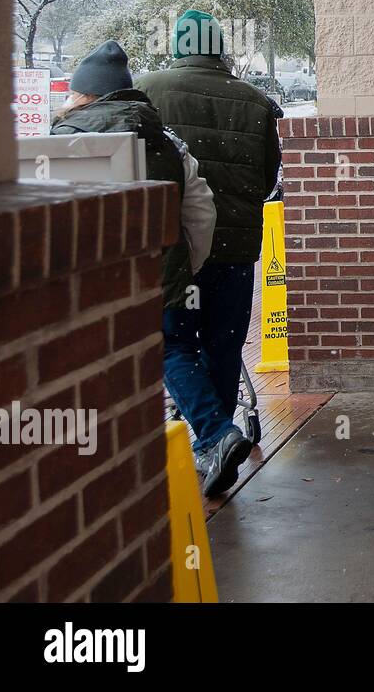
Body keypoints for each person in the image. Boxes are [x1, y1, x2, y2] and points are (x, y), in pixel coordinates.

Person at [50, 42, 251, 496]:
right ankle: (212, 437)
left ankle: (215, 435)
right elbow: (201, 211)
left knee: (154, 356)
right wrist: (187, 267)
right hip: (167, 273)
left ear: (82, 95)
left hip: (100, 285)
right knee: (175, 347)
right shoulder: (166, 140)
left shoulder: (65, 137)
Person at [136, 9, 282, 492]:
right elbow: (266, 180)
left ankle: (214, 437)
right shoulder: (255, 101)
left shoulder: (149, 92)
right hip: (237, 250)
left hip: (179, 252)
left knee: (173, 343)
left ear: (178, 46)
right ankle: (219, 456)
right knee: (224, 346)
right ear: (221, 47)